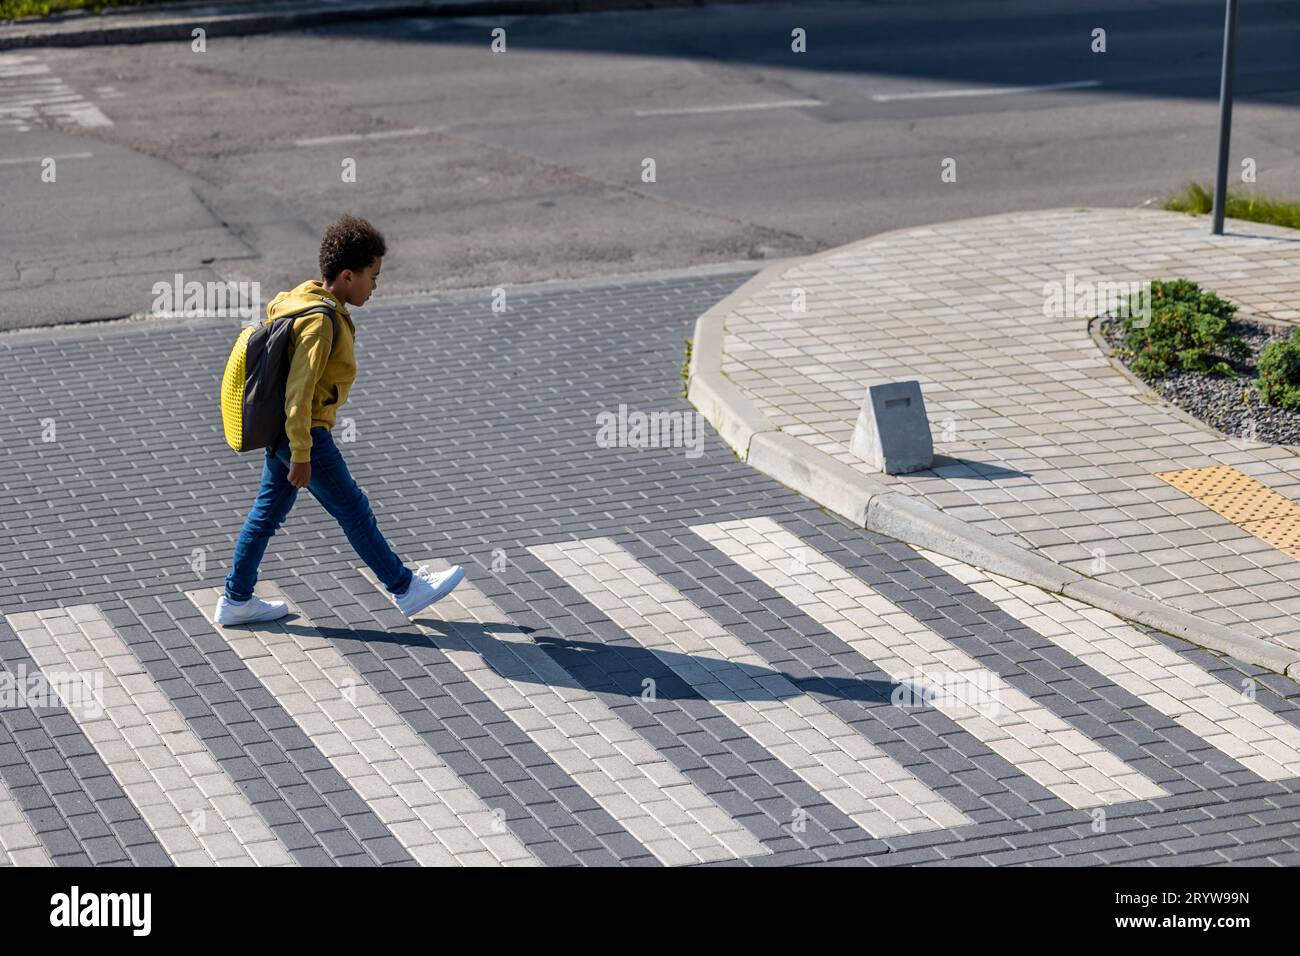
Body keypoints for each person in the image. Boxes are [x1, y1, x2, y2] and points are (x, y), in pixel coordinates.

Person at [215, 215, 463, 625]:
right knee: (353, 509)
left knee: (266, 515)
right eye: (372, 276)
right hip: (304, 433)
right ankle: (405, 587)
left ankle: (237, 599)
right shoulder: (321, 323)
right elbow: (300, 394)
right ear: (347, 275)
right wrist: (301, 453)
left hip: (287, 434)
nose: (375, 286)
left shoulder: (304, 298)